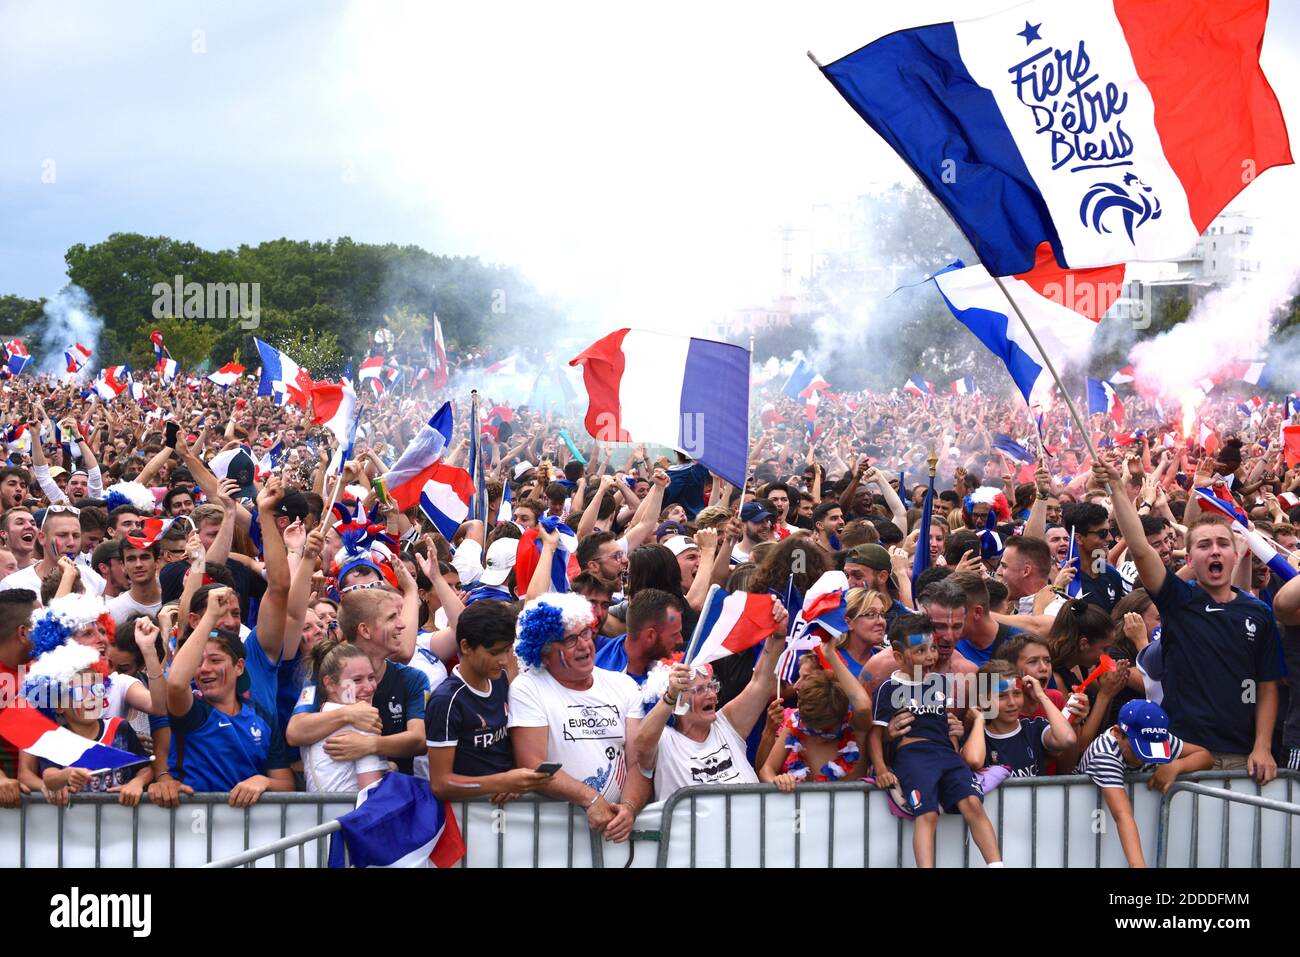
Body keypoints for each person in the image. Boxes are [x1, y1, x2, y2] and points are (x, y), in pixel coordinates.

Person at [1095, 456, 1281, 782]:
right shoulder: (1177, 600)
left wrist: (1262, 746)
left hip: (1243, 757)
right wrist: (1116, 487)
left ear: (1235, 554)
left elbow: (1266, 685)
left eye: (1223, 544)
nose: (1214, 551)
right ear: (1190, 557)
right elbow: (1139, 548)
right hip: (1182, 754)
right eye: (1204, 545)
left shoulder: (1259, 612)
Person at [508, 592, 649, 843]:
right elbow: (533, 764)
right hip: (556, 838)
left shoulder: (623, 685)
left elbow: (638, 762)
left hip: (615, 834)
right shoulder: (527, 688)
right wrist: (590, 799)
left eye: (585, 633)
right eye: (571, 640)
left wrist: (628, 808)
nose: (585, 645)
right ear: (544, 652)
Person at [869, 613, 1002, 868]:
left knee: (973, 804)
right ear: (898, 656)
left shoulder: (940, 683)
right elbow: (875, 734)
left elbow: (948, 726)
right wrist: (883, 769)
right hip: (914, 756)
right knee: (927, 814)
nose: (930, 656)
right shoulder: (888, 688)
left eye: (931, 648)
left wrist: (956, 747)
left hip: (947, 757)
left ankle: (996, 864)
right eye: (920, 650)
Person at [633, 607, 786, 801]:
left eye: (711, 686)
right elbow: (641, 744)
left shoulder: (726, 724)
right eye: (699, 690)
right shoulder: (664, 741)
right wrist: (669, 697)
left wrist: (778, 636)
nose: (712, 695)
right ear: (677, 702)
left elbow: (761, 682)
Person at [164, 586, 294, 804]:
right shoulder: (193, 712)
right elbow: (176, 684)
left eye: (215, 660)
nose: (204, 669)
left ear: (239, 666)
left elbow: (286, 784)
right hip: (194, 830)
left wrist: (264, 781)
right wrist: (211, 617)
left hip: (247, 833)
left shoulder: (261, 716)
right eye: (198, 662)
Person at [427, 601, 556, 801]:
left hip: (508, 811)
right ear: (465, 646)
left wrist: (514, 784)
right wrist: (502, 781)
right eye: (494, 652)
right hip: (469, 818)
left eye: (507, 651)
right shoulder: (446, 701)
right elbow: (441, 783)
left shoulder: (501, 680)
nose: (504, 660)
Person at [1077, 699, 1212, 867]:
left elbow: (1205, 756)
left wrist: (1176, 766)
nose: (1145, 758)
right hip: (1093, 836)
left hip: (1136, 834)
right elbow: (1122, 814)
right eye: (1139, 749)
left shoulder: (1154, 737)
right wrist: (1138, 865)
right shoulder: (1105, 754)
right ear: (1118, 734)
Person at [16, 643, 153, 806]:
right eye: (80, 693)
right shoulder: (54, 739)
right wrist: (65, 775)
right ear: (59, 706)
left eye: (96, 689)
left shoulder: (119, 727)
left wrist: (136, 783)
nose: (91, 698)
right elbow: (49, 777)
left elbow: (146, 768)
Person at [300, 638, 389, 793]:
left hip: (318, 816)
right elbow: (372, 794)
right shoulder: (363, 722)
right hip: (350, 815)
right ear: (329, 684)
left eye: (371, 677)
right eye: (356, 680)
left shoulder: (314, 723)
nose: (369, 687)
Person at [961, 661, 1075, 778]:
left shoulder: (1034, 728)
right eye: (1001, 696)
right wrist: (980, 719)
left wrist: (1041, 695)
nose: (1012, 702)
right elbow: (974, 761)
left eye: (1017, 693)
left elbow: (1067, 739)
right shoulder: (976, 736)